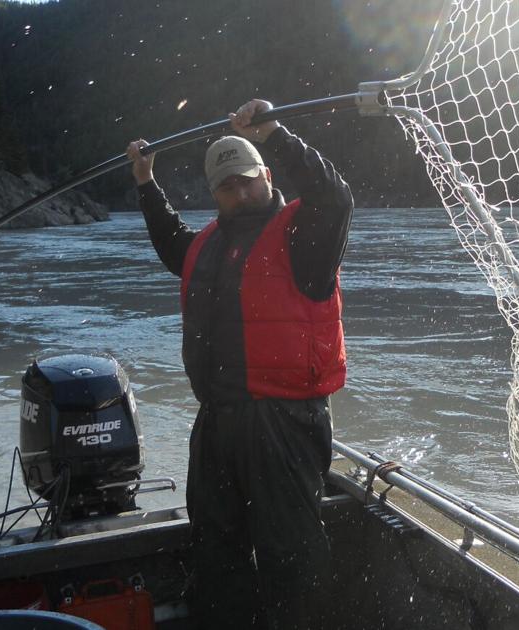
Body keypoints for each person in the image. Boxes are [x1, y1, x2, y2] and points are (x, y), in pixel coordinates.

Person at [127, 99, 353, 629]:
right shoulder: (206, 245)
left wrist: (274, 132)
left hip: (283, 423)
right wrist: (145, 182)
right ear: (215, 194)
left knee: (291, 559)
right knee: (216, 551)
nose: (241, 192)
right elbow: (169, 241)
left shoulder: (305, 237)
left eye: (249, 180)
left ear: (267, 175)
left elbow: (334, 195)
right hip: (218, 424)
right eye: (228, 186)